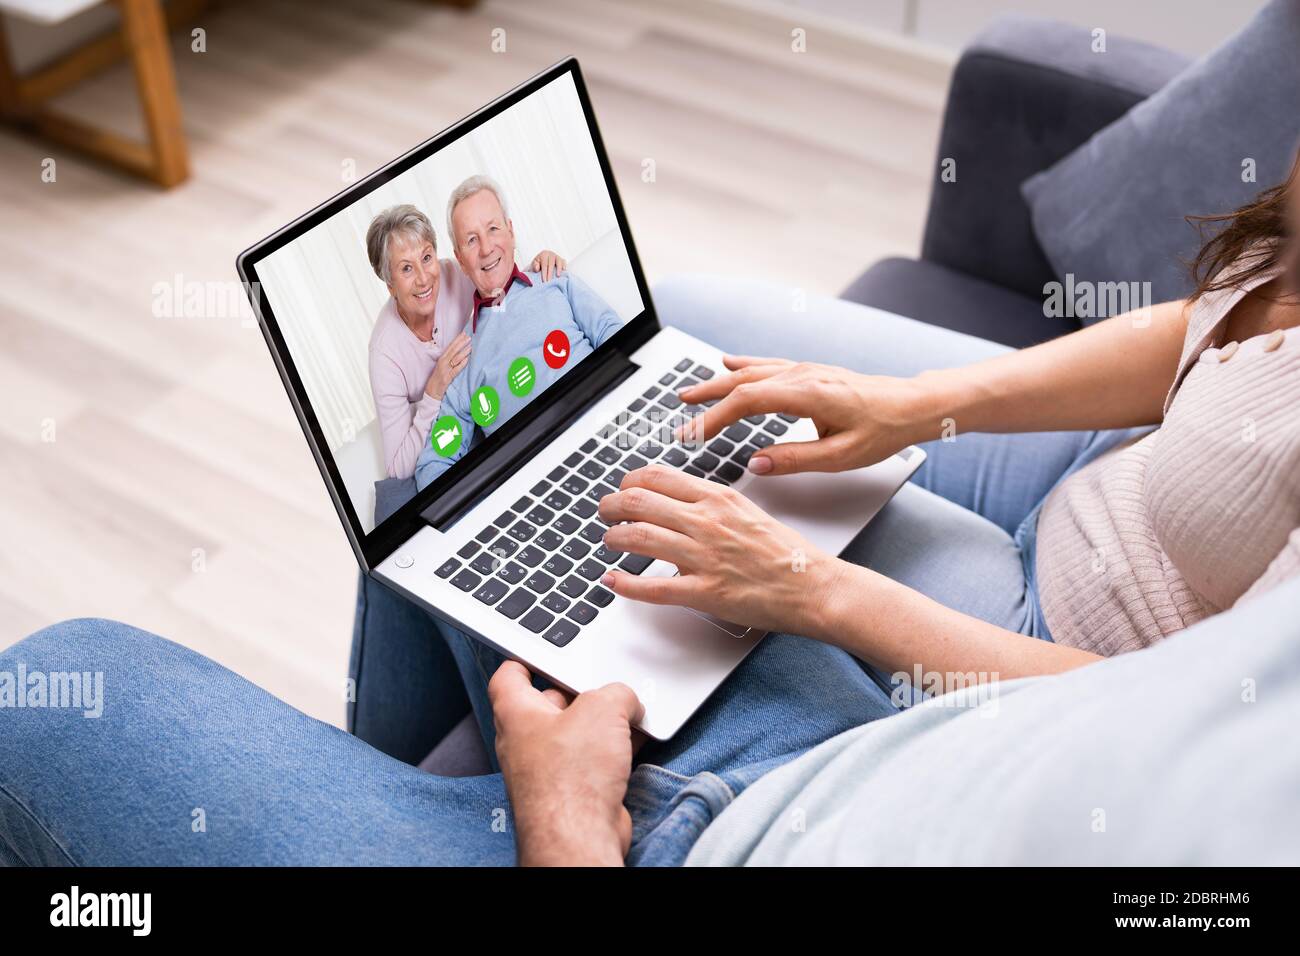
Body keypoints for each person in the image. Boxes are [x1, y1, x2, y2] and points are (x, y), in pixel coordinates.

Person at [1, 157, 1296, 867]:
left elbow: (1109, 720)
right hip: (963, 704)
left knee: (44, 683)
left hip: (778, 805)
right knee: (486, 486)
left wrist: (564, 830)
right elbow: (1213, 330)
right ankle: (408, 769)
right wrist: (918, 404)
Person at [412, 176, 624, 490]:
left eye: (493, 229)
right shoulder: (461, 359)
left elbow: (614, 335)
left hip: (609, 426)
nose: (486, 248)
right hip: (547, 483)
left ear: (511, 231)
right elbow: (432, 466)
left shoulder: (554, 279)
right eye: (471, 240)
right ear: (460, 259)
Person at [365, 203, 567, 479]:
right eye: (406, 269)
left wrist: (538, 263)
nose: (424, 279)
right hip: (453, 431)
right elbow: (398, 468)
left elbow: (504, 280)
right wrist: (433, 391)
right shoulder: (384, 354)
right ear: (390, 285)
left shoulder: (456, 276)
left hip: (495, 405)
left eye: (426, 258)